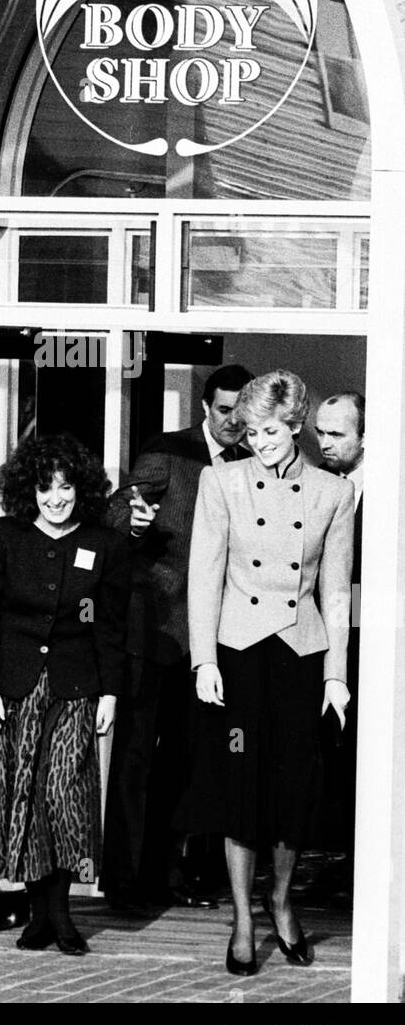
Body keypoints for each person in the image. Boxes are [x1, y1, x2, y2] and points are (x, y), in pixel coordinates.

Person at [0, 432, 131, 956]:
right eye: (45, 488)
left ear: (81, 490)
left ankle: (60, 913)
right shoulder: (0, 537)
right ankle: (40, 916)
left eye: (65, 487)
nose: (56, 498)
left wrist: (110, 693)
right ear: (30, 490)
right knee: (20, 795)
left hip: (75, 687)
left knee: (62, 793)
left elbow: (111, 628)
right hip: (12, 686)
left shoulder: (104, 544)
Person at [188, 371, 354, 976]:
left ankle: (280, 900)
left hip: (300, 654)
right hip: (238, 651)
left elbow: (336, 591)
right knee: (240, 789)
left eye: (273, 432)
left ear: (297, 428)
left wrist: (336, 673)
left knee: (293, 791)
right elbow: (203, 576)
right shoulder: (220, 480)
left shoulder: (334, 494)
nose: (259, 442)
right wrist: (203, 658)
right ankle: (241, 918)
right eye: (252, 431)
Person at [100, 363, 253, 911]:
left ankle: (168, 876)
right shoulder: (170, 450)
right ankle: (121, 882)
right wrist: (136, 523)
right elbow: (117, 509)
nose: (234, 420)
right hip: (156, 628)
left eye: (243, 410)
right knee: (136, 758)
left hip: (211, 638)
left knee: (190, 763)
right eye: (224, 410)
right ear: (205, 409)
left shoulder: (254, 461)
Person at [313, 392, 364, 905]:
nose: (324, 443)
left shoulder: (387, 489)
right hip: (327, 638)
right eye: (320, 432)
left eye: (336, 434)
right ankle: (342, 867)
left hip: (373, 638)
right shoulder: (319, 487)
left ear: (364, 436)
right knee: (335, 753)